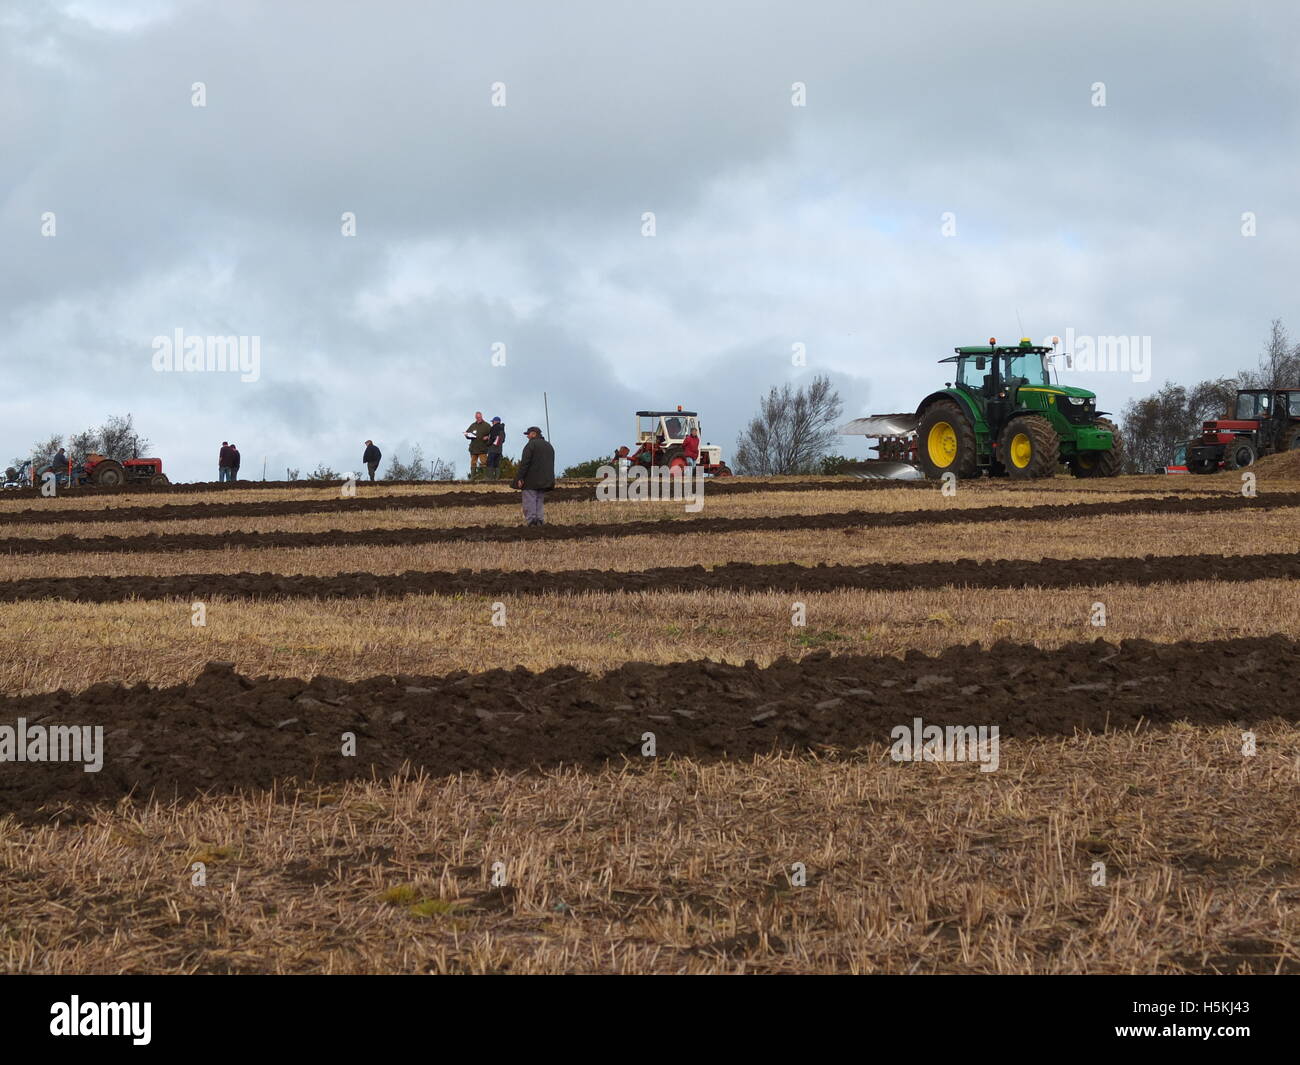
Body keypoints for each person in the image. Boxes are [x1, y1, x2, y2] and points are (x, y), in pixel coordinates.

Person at [514, 426, 555, 525]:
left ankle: (532, 521)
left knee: (530, 500)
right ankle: (540, 521)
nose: (527, 436)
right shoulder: (549, 446)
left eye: (528, 434)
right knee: (539, 500)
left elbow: (525, 463)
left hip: (531, 480)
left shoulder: (531, 445)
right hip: (545, 479)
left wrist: (520, 477)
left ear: (534, 434)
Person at [464, 411, 492, 477]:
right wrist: (466, 434)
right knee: (473, 463)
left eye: (479, 417)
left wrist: (488, 437)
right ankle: (472, 478)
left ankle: (486, 478)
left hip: (483, 448)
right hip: (473, 448)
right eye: (477, 417)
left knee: (484, 463)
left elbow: (492, 435)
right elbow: (467, 433)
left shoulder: (487, 425)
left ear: (481, 416)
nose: (478, 418)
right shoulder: (473, 425)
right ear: (475, 417)